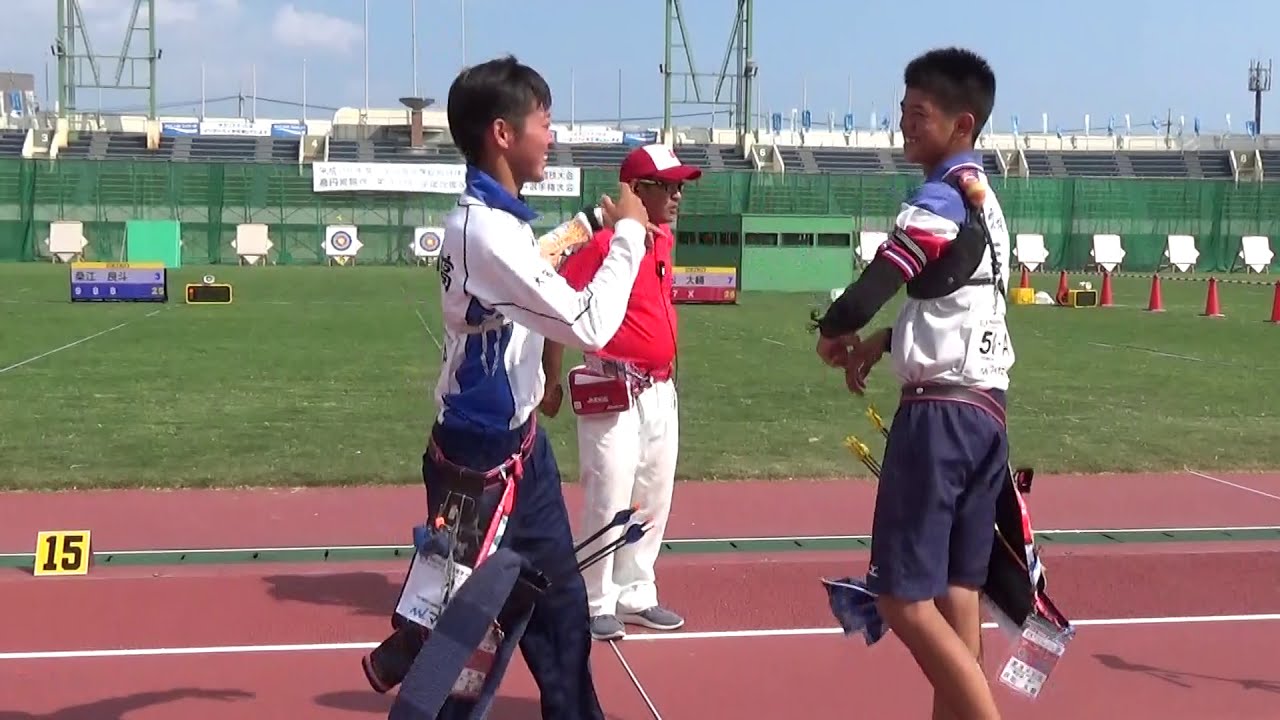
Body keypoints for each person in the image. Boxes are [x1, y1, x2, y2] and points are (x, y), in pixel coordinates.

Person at [423, 55, 649, 719]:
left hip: (522, 453)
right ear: (502, 132)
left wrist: (592, 226)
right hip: (474, 465)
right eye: (544, 123)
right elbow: (589, 324)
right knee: (463, 642)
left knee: (562, 615)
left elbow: (532, 265)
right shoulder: (483, 231)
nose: (552, 136)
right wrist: (631, 233)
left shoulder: (497, 222)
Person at [812, 47, 1013, 720]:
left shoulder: (939, 196)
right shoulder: (988, 201)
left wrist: (837, 329)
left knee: (900, 596)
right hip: (987, 412)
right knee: (960, 590)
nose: (904, 123)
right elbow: (953, 299)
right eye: (902, 111)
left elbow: (885, 275)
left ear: (962, 123)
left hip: (939, 420)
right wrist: (879, 342)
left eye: (917, 114)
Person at [539, 144, 700, 641]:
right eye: (666, 186)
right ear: (636, 191)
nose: (676, 195)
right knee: (609, 490)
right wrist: (551, 377)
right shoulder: (604, 244)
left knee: (654, 491)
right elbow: (558, 310)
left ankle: (636, 590)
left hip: (658, 388)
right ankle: (595, 596)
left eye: (679, 187)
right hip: (612, 384)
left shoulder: (663, 242)